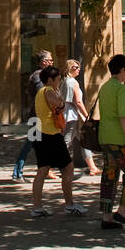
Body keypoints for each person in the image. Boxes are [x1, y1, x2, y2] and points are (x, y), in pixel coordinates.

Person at [30, 65, 85, 218]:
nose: (60, 82)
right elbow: (60, 103)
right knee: (68, 167)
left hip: (41, 133)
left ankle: (37, 207)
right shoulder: (48, 91)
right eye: (58, 79)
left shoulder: (40, 92)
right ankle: (69, 204)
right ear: (50, 79)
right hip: (51, 134)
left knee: (42, 170)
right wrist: (60, 100)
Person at [98, 53, 125, 230]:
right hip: (119, 139)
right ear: (123, 70)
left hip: (104, 138)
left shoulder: (105, 87)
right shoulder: (122, 89)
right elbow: (124, 117)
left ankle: (106, 215)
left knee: (110, 175)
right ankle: (123, 211)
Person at [12, 49, 53, 181]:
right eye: (51, 60)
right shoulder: (39, 76)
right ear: (44, 62)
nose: (52, 62)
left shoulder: (41, 75)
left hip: (40, 116)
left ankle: (45, 170)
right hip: (38, 117)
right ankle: (17, 172)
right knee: (30, 144)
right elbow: (42, 94)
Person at [61, 58, 98, 176]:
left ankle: (92, 167)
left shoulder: (64, 81)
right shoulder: (73, 82)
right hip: (72, 115)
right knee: (65, 142)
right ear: (70, 68)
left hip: (67, 114)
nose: (79, 70)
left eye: (79, 68)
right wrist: (87, 116)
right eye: (76, 67)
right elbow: (78, 101)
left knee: (83, 141)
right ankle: (57, 167)